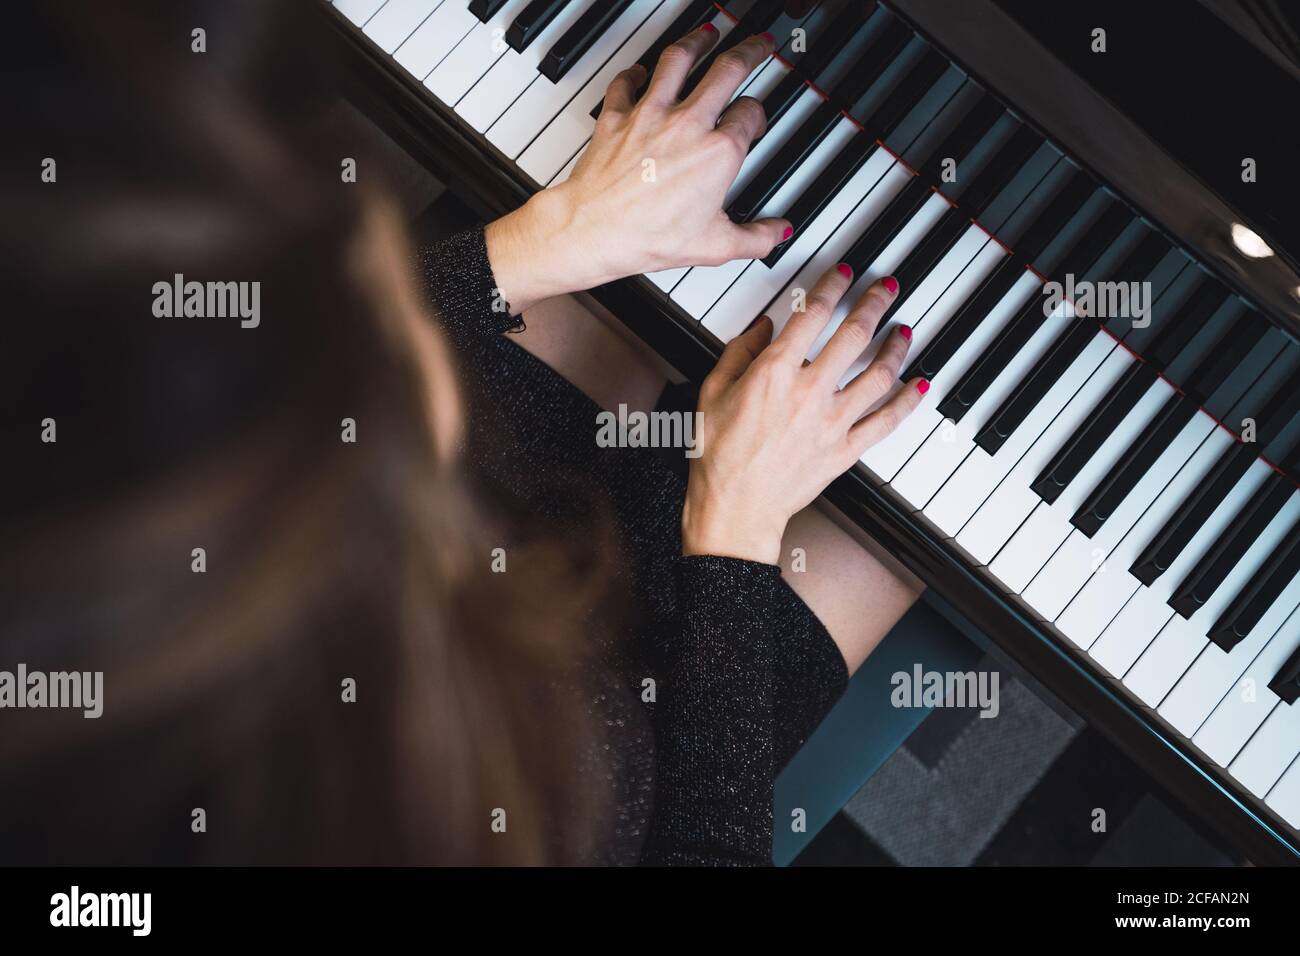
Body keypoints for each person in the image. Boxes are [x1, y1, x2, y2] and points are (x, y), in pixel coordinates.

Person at [1, 0, 922, 865]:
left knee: (632, 291)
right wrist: (735, 529)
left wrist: (553, 236)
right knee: (912, 484)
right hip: (643, 752)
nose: (383, 261)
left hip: (415, 519)